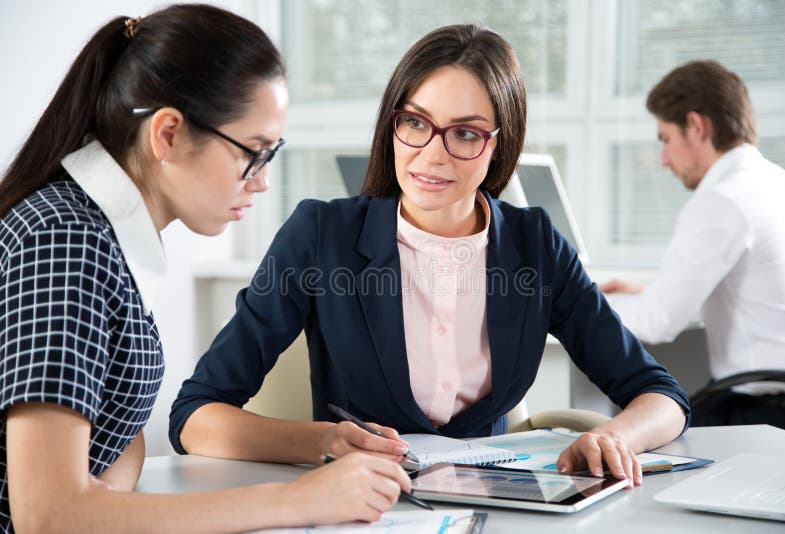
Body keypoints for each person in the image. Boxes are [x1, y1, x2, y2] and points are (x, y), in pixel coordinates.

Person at [171, 24, 690, 488]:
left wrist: (617, 436)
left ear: (497, 146)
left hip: (501, 511)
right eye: (416, 123)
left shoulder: (536, 247)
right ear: (392, 124)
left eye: (465, 133)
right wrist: (323, 441)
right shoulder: (320, 235)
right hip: (359, 509)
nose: (432, 153)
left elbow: (661, 395)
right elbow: (195, 416)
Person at [0, 5, 409, 533]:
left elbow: (118, 440)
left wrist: (101, 496)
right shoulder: (63, 241)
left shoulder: (94, 233)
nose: (261, 181)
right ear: (167, 133)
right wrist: (298, 501)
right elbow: (50, 515)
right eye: (253, 153)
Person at [601, 61, 785, 432]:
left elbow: (657, 321)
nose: (663, 160)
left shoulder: (723, 200)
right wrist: (649, 292)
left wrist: (578, 300)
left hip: (767, 414)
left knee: (646, 443)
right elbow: (754, 293)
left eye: (665, 139)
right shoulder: (782, 184)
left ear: (696, 126)